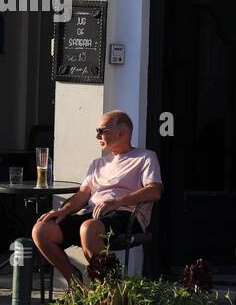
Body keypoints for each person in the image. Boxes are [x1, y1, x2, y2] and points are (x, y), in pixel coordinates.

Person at [32, 111, 163, 286]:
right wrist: (63, 210)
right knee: (41, 230)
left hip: (125, 216)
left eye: (102, 130)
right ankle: (76, 284)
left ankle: (111, 290)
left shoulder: (145, 157)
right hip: (94, 215)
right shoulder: (98, 164)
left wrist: (116, 202)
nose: (97, 136)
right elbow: (82, 195)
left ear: (121, 132)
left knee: (88, 228)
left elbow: (155, 191)